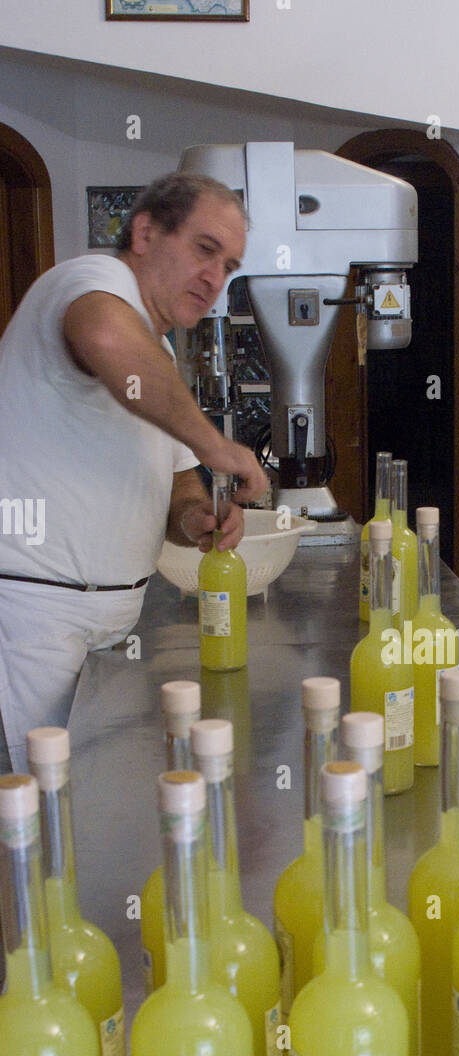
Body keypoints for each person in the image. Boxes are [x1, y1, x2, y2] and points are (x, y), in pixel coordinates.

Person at [0, 172, 268, 772]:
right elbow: (101, 332)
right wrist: (218, 446)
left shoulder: (160, 355)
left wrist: (196, 516)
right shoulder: (89, 283)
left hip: (107, 627)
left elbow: (174, 482)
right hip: (34, 622)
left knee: (89, 824)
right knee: (40, 831)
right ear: (145, 232)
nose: (215, 277)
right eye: (204, 249)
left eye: (229, 265)